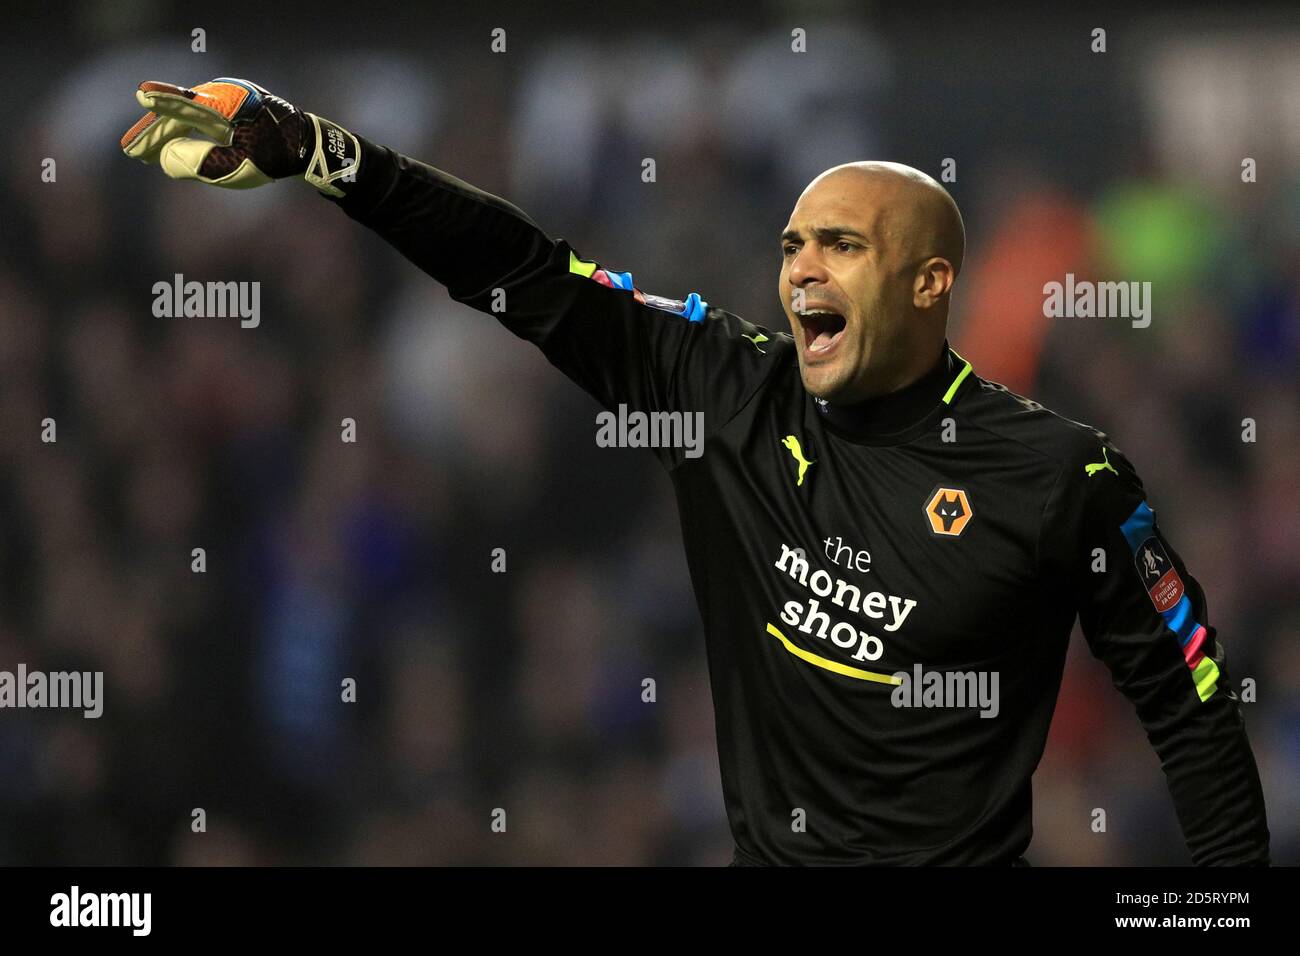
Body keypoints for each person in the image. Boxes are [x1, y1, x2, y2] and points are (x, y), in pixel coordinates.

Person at [121, 77, 1270, 865]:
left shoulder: (1061, 474)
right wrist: (324, 154)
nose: (803, 271)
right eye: (792, 248)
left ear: (928, 286)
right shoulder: (724, 388)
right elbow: (517, 267)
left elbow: (1194, 703)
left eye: (842, 247)